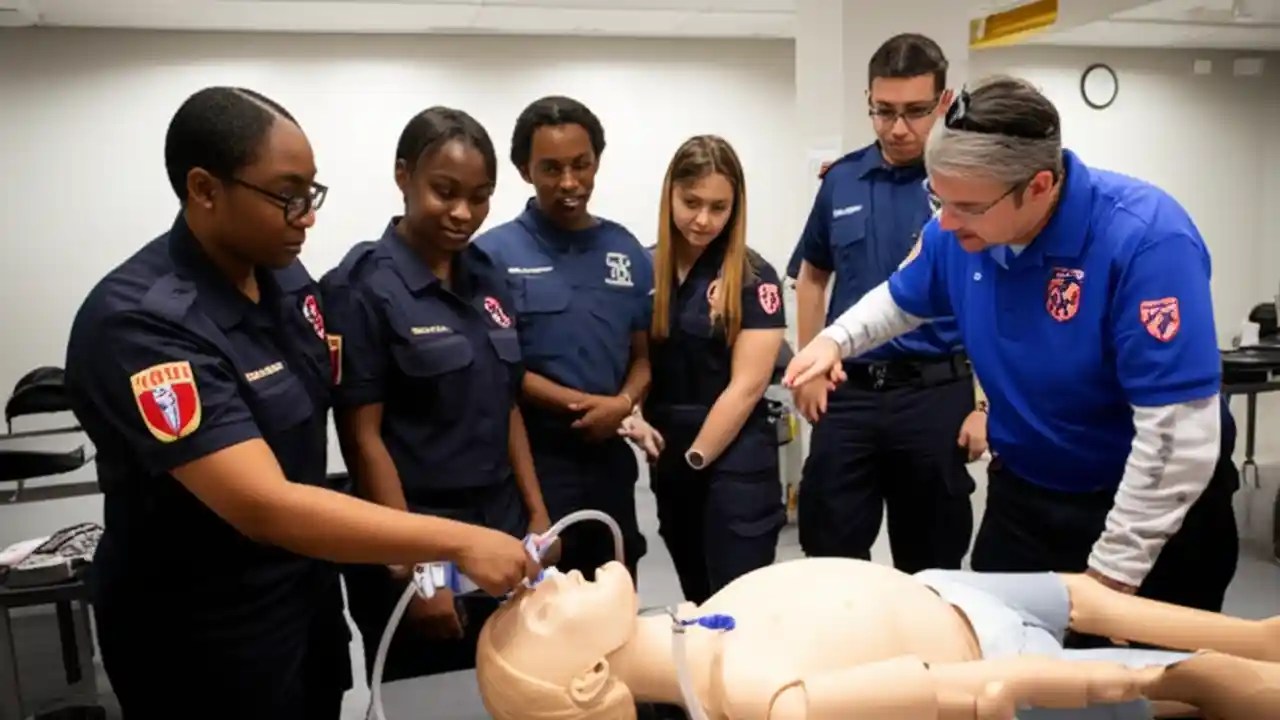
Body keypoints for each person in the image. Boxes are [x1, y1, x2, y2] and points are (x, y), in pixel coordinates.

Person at [63, 87, 539, 720]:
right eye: (287, 196)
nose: (306, 218)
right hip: (202, 631)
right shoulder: (140, 325)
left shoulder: (287, 282)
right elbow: (264, 503)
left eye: (311, 194)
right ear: (205, 189)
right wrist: (452, 547)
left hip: (303, 599)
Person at [784, 75, 1241, 617]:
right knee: (1004, 664)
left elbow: (1178, 438)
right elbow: (905, 297)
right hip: (1026, 497)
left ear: (1040, 186)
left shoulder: (1146, 240)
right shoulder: (960, 228)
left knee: (1146, 687)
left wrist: (1113, 573)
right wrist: (837, 339)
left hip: (1148, 511)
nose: (946, 223)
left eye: (968, 207)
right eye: (939, 198)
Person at [320, 107, 556, 682]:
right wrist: (417, 572)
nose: (462, 213)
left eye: (480, 197)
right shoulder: (360, 288)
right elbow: (363, 441)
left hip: (501, 536)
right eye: (444, 192)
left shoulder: (488, 276)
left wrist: (538, 517)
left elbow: (506, 406)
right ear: (403, 176)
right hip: (422, 541)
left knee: (512, 693)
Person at [475, 556, 1280, 720]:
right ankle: (1209, 677)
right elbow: (973, 694)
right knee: (1188, 682)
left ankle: (1256, 634)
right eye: (538, 613)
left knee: (1086, 596)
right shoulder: (765, 698)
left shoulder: (689, 625)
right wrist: (1167, 679)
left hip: (945, 591)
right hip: (1003, 662)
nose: (543, 583)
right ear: (584, 681)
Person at [787, 33, 981, 573]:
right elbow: (810, 278)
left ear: (944, 103)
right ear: (869, 103)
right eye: (884, 112)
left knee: (933, 561)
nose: (898, 128)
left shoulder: (966, 186)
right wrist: (809, 367)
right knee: (830, 553)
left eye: (916, 112)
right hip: (848, 393)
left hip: (935, 393)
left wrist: (985, 405)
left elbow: (993, 295)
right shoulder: (842, 180)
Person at [473, 95, 651, 580]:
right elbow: (500, 368)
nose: (569, 182)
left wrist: (623, 402)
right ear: (523, 169)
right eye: (551, 168)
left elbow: (642, 355)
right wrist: (583, 404)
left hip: (609, 460)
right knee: (541, 609)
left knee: (615, 592)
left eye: (581, 165)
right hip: (532, 462)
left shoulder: (625, 249)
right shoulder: (491, 255)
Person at [618, 135, 787, 605]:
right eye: (691, 202)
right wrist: (628, 411)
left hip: (734, 455)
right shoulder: (642, 269)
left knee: (736, 603)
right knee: (696, 598)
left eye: (719, 207)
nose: (703, 220)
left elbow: (749, 385)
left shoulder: (754, 277)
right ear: (669, 194)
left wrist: (695, 458)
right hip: (670, 455)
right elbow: (632, 360)